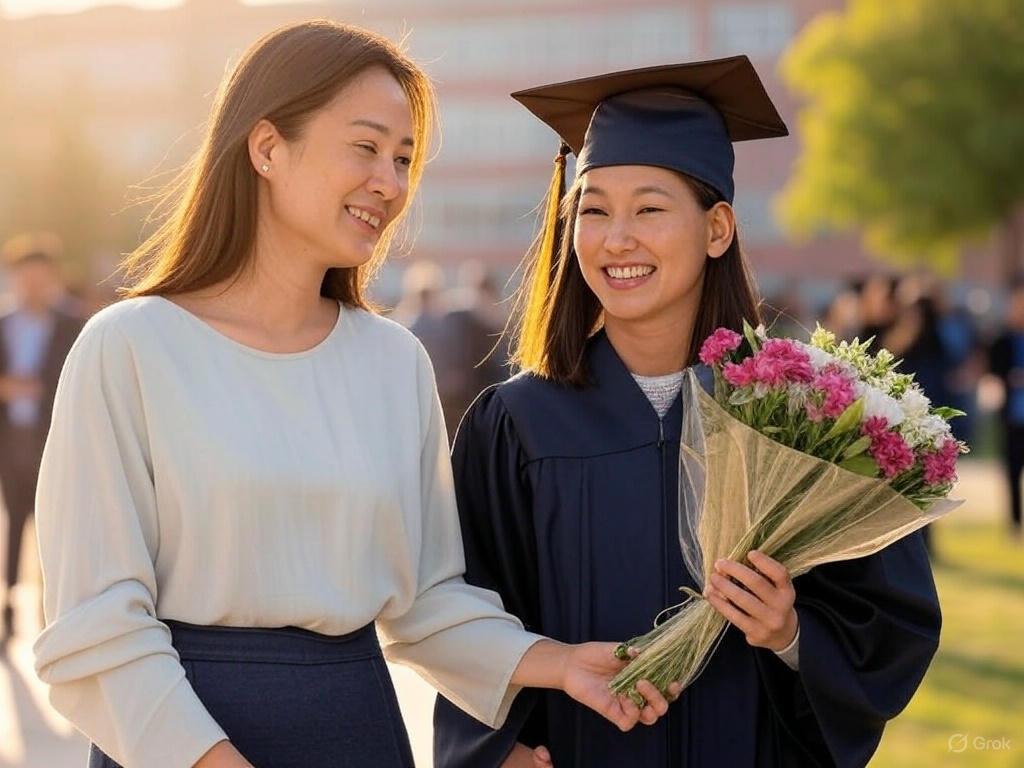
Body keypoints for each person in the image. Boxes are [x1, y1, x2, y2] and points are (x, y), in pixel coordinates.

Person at [31, 21, 671, 768]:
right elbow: (95, 622)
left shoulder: (393, 361)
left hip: (355, 731)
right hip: (178, 741)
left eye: (404, 160)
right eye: (366, 148)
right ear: (267, 148)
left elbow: (427, 599)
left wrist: (559, 664)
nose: (391, 185)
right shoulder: (130, 347)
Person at [433, 57, 942, 768]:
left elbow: (888, 625)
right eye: (594, 209)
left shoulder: (800, 423)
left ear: (717, 228)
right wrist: (501, 749)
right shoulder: (516, 426)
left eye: (648, 208)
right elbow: (459, 614)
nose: (616, 239)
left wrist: (790, 632)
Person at [0, 232, 84, 649]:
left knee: (54, 529)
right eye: (23, 276)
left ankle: (49, 614)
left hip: (57, 443)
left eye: (39, 275)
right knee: (11, 525)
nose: (31, 284)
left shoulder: (74, 326)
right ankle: (8, 606)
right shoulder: (3, 325)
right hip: (9, 441)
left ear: (52, 277)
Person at [988, 279, 1024, 538]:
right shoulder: (1001, 339)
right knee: (1011, 470)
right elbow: (993, 371)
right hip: (1012, 414)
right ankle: (1015, 523)